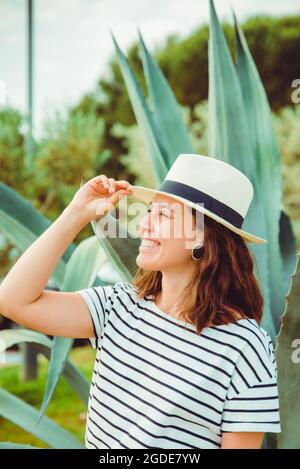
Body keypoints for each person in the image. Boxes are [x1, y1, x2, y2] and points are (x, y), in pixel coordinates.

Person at [0, 153, 281, 449]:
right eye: (149, 211)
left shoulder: (245, 347)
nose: (144, 225)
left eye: (163, 215)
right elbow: (13, 301)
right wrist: (77, 213)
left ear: (200, 237)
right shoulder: (118, 307)